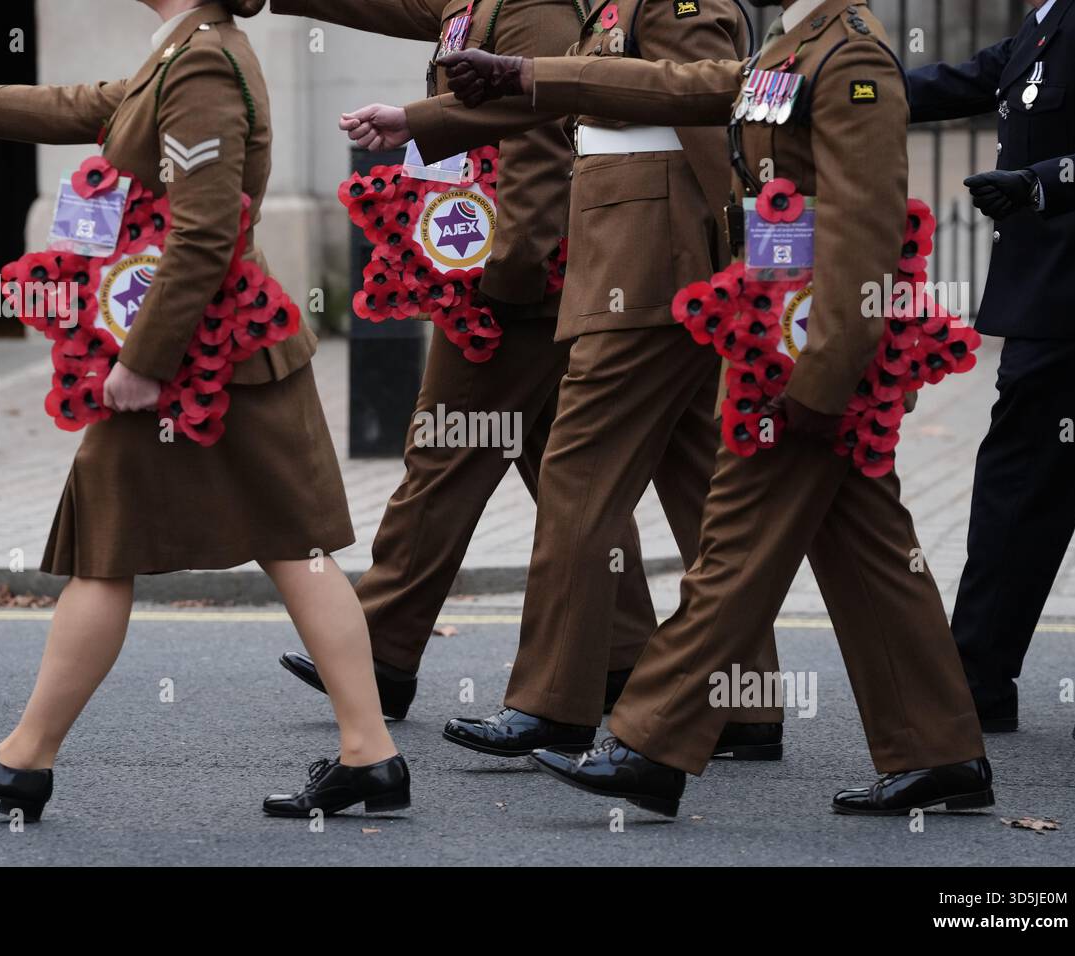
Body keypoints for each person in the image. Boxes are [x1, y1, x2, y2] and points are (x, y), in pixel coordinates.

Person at [437, 0, 992, 817]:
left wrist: (822, 378)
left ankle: (650, 745)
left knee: (734, 541)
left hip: (809, 350)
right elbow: (681, 85)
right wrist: (530, 75)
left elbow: (864, 235)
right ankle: (941, 751)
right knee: (866, 545)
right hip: (776, 325)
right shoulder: (796, 44)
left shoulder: (854, 59)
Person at [0, 0, 409, 820]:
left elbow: (201, 233)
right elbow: (88, 103)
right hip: (231, 355)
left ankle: (24, 761)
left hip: (197, 361)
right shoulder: (187, 50)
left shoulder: (201, 64)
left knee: (112, 547)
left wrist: (142, 363)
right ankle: (370, 755)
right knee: (290, 546)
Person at [339, 0, 786, 761]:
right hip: (639, 248)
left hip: (654, 253)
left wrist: (737, 247)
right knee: (700, 477)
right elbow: (578, 96)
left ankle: (555, 704)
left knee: (580, 472)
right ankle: (742, 703)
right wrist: (422, 121)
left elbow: (704, 101)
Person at [268, 0, 659, 722]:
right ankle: (625, 652)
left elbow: (537, 142)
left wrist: (508, 276)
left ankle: (381, 650)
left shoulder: (536, 9)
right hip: (519, 272)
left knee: (443, 454)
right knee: (559, 473)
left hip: (518, 277)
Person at [906, 0, 1075, 738]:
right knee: (1033, 488)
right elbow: (962, 79)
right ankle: (978, 679)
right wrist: (841, 88)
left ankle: (971, 683)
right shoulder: (1051, 19)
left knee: (1017, 489)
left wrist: (1042, 183)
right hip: (1069, 304)